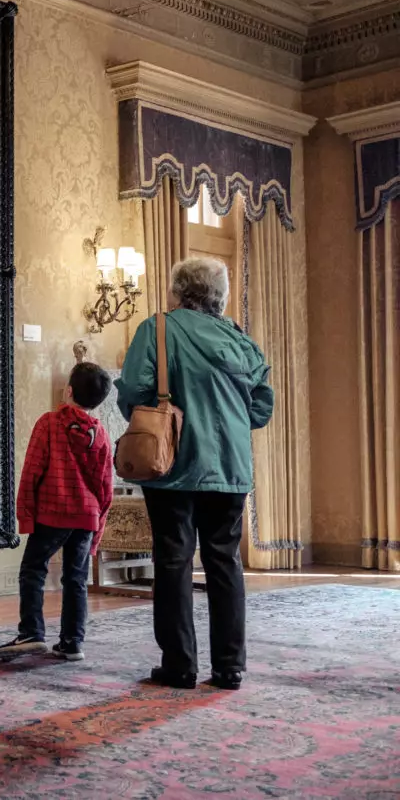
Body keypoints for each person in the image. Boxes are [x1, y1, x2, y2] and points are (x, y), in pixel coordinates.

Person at [116, 256, 274, 691]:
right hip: (230, 467)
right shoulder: (240, 339)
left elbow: (132, 390)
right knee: (225, 563)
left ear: (179, 290)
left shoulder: (159, 328)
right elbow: (262, 405)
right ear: (218, 297)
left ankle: (179, 665)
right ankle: (229, 668)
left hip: (174, 466)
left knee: (173, 561)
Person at [0, 362, 114, 662]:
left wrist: (26, 516)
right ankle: (72, 642)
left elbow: (32, 471)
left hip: (53, 511)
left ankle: (31, 632)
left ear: (69, 390)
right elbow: (105, 490)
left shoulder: (49, 423)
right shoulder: (101, 435)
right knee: (76, 578)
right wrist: (97, 532)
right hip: (87, 516)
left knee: (33, 570)